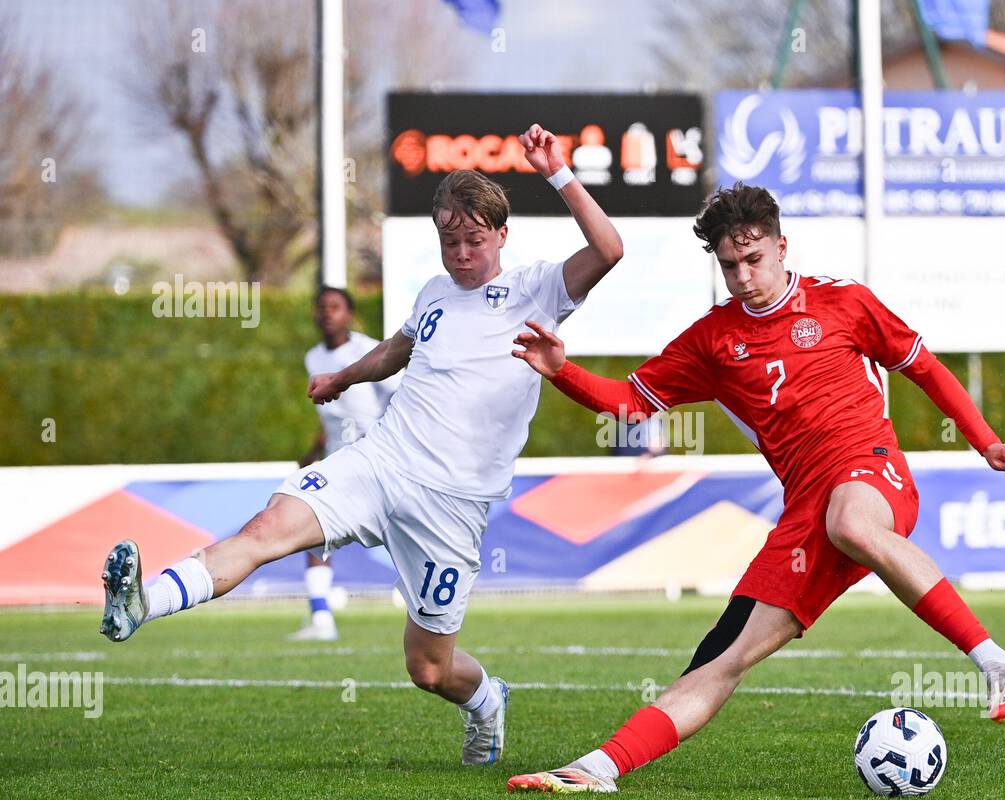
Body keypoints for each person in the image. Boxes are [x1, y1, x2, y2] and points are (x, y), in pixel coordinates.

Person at [98, 124, 623, 766]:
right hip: (382, 462)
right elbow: (398, 349)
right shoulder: (433, 294)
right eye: (449, 240)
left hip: (454, 504)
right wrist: (343, 377)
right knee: (266, 529)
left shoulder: (536, 288)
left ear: (502, 235)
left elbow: (609, 247)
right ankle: (139, 603)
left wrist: (558, 173)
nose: (460, 254)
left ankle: (486, 700)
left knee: (428, 670)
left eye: (474, 240)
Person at [506, 183, 1005, 794]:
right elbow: (629, 403)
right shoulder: (711, 340)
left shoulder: (845, 302)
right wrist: (562, 371)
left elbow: (925, 368)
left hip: (872, 471)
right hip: (805, 512)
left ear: (782, 246)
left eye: (753, 259)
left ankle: (998, 664)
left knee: (852, 523)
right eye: (729, 265)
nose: (743, 276)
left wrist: (985, 440)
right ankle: (599, 769)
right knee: (722, 658)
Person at [291, 285, 401, 641]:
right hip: (337, 462)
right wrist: (313, 452)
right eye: (321, 307)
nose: (327, 313)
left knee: (406, 532)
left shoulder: (370, 350)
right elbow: (333, 417)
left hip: (378, 458)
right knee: (309, 528)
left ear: (349, 314)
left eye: (335, 307)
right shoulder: (312, 358)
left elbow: (401, 397)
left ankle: (427, 602)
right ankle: (321, 618)